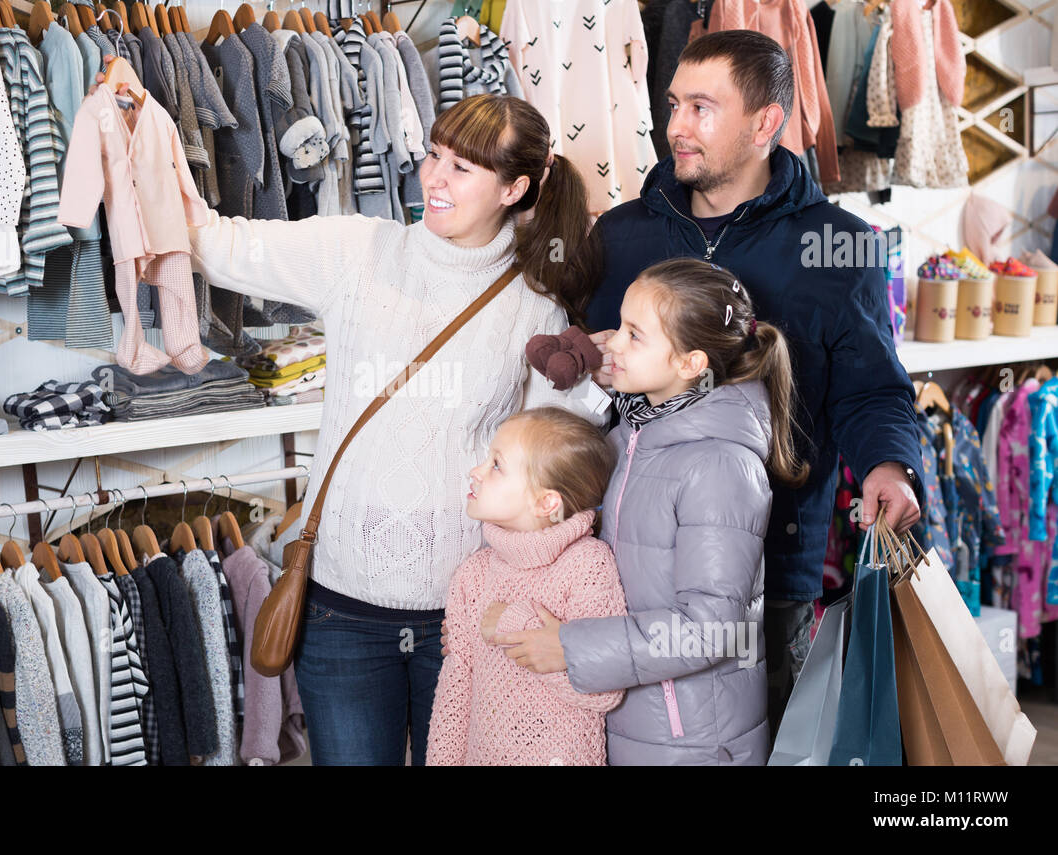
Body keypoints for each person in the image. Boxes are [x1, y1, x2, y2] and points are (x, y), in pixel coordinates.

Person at [187, 94, 606, 765]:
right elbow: (215, 244)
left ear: (515, 187)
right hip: (340, 611)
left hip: (469, 613)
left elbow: (549, 469)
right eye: (434, 154)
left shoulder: (535, 308)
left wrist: (588, 382)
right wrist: (142, 138)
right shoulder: (358, 250)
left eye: (464, 168)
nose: (434, 178)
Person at [582, 30, 925, 737]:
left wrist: (890, 464)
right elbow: (587, 392)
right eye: (673, 104)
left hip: (781, 576)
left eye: (702, 108)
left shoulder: (840, 245)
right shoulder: (620, 237)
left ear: (765, 123)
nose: (674, 125)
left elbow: (870, 389)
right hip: (632, 571)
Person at [497, 259, 806, 764]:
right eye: (620, 324)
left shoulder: (719, 465)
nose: (612, 343)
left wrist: (572, 649)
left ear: (690, 364)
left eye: (634, 335)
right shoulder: (630, 438)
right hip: (631, 722)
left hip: (692, 742)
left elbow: (712, 628)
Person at [426, 407, 626, 766]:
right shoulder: (473, 575)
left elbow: (604, 690)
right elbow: (455, 694)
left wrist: (513, 623)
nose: (476, 471)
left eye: (496, 465)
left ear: (546, 501)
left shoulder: (588, 565)